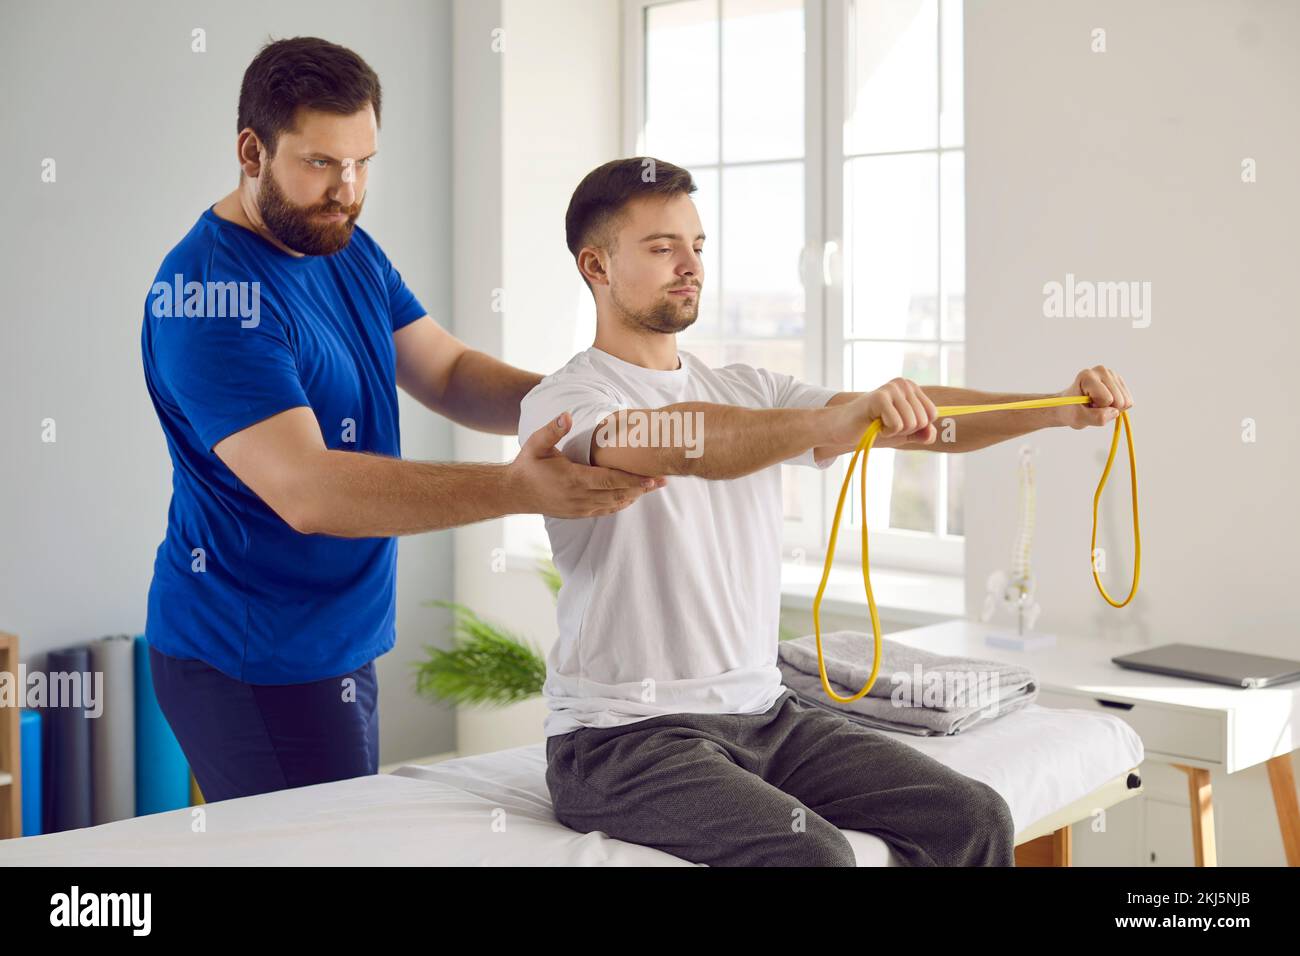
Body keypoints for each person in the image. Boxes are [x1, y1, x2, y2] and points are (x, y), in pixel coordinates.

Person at [519, 156, 1136, 866]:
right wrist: (831, 424)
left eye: (698, 245)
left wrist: (1054, 409)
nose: (690, 265)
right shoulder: (567, 402)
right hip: (620, 741)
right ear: (595, 266)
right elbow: (682, 443)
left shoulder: (749, 386)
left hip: (766, 717)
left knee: (971, 817)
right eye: (663, 248)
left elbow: (922, 422)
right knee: (813, 855)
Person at [139, 38, 663, 804]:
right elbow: (310, 491)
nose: (346, 189)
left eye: (362, 164)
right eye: (321, 162)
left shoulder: (341, 244)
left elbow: (446, 372)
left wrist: (588, 406)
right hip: (248, 657)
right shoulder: (209, 296)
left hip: (341, 638)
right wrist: (520, 488)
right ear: (252, 150)